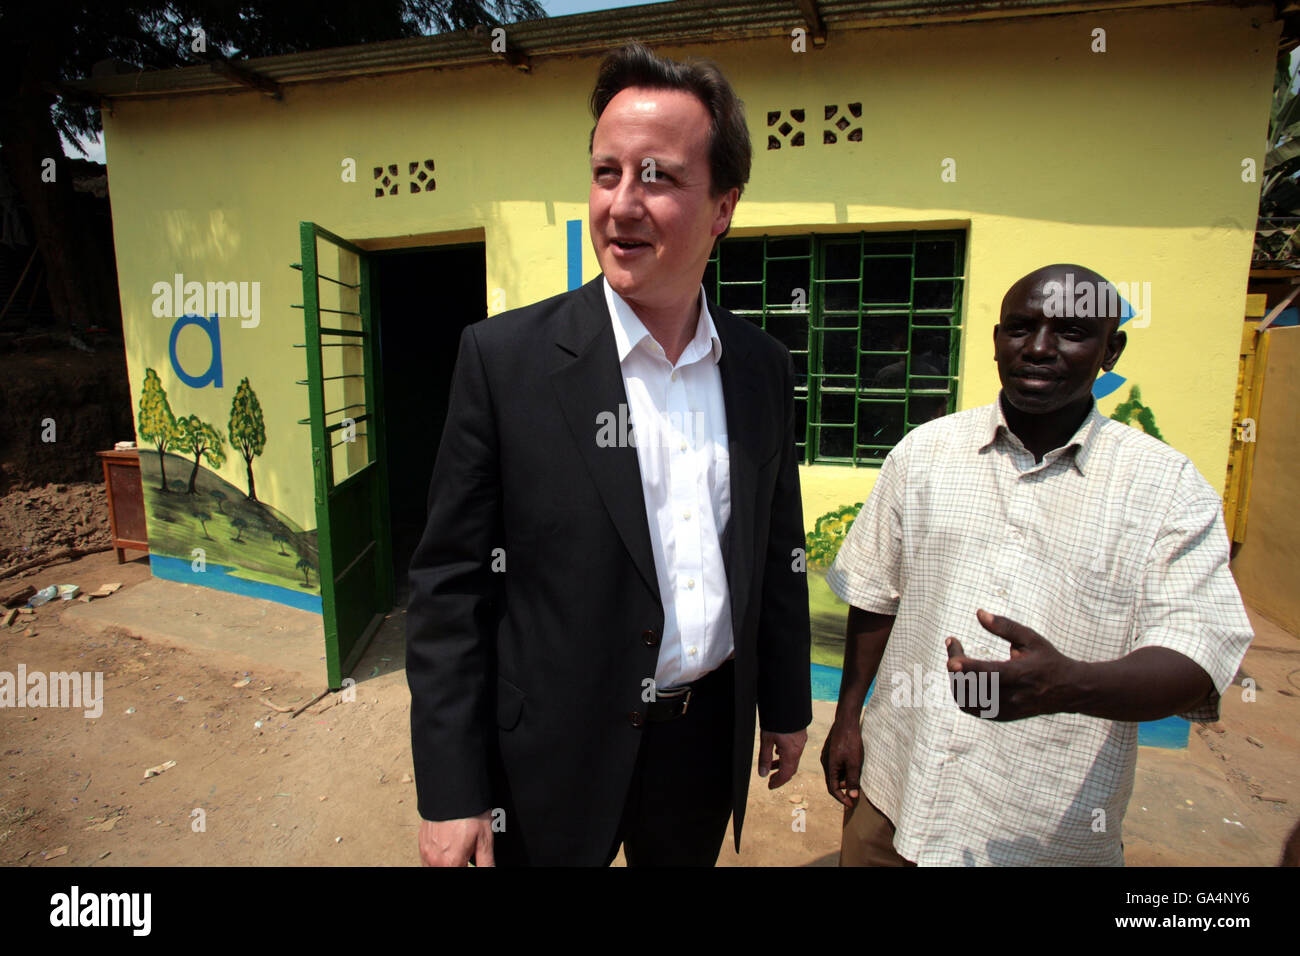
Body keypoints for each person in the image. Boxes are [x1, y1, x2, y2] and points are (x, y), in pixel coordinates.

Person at [406, 42, 812, 867]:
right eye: (606, 173)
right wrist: (452, 790)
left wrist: (789, 705)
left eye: (657, 176)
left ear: (724, 206)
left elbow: (778, 552)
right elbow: (449, 589)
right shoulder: (505, 361)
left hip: (702, 747)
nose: (622, 204)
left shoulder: (762, 369)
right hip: (551, 753)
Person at [820, 263, 1254, 865]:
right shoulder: (924, 453)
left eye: (1072, 332)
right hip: (894, 792)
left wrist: (1065, 684)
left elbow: (1197, 658)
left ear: (1111, 350)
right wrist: (848, 719)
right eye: (1020, 329)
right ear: (997, 340)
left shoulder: (1166, 489)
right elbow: (875, 594)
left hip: (1042, 828)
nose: (1040, 348)